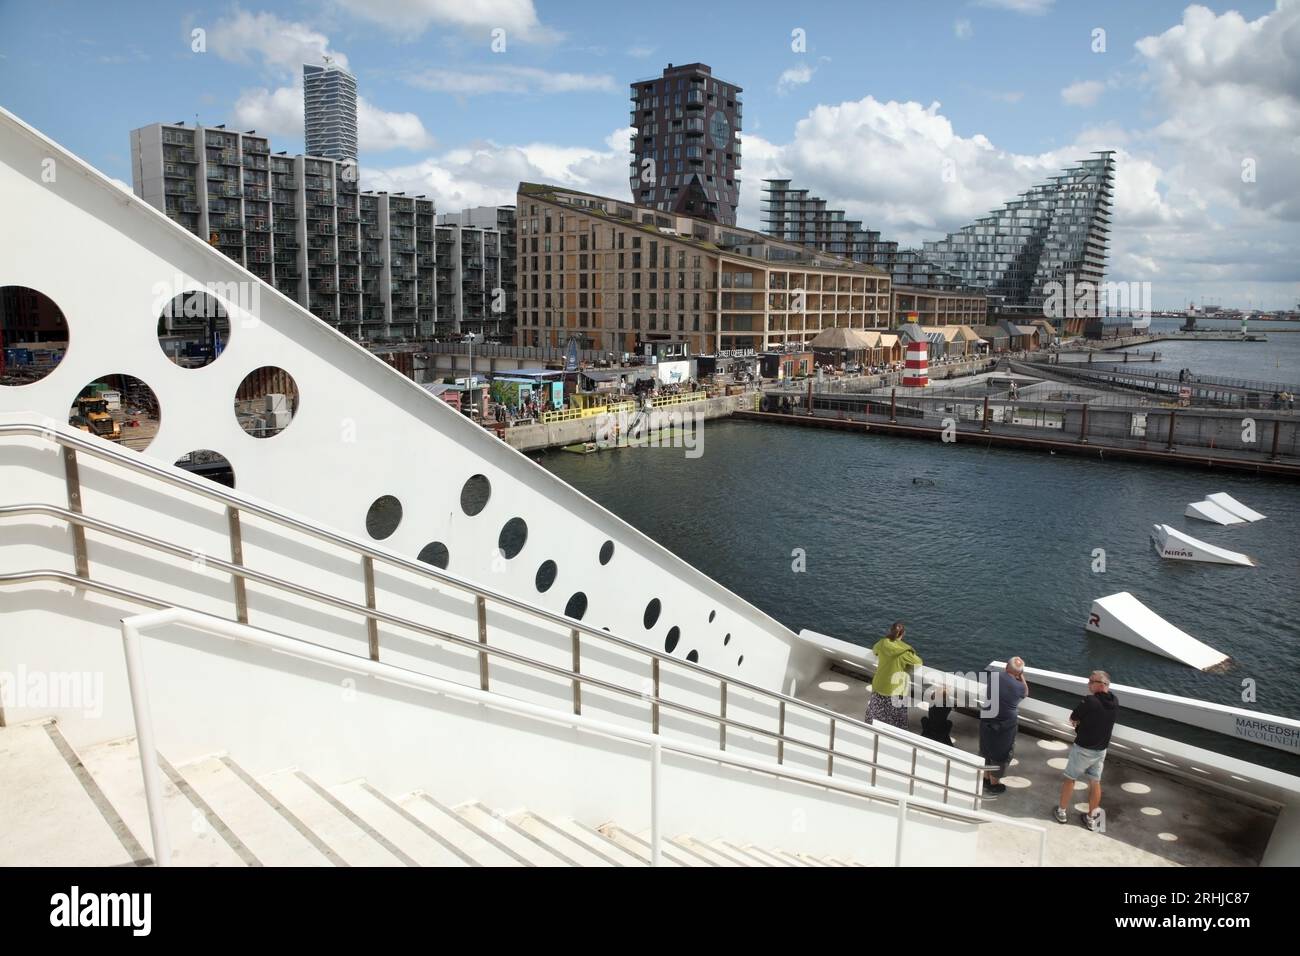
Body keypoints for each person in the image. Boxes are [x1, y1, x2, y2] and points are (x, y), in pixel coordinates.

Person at [1055, 670, 1119, 830]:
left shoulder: (1090, 701)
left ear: (1101, 684)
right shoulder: (1115, 700)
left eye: (1091, 681)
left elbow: (1073, 717)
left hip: (1083, 748)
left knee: (1070, 778)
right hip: (1101, 750)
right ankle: (1092, 820)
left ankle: (1062, 811)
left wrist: (1080, 723)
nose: (1088, 684)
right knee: (1095, 782)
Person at [979, 657, 1029, 794]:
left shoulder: (994, 677)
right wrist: (1021, 676)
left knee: (986, 748)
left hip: (987, 719)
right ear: (1019, 672)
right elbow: (1026, 692)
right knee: (1000, 754)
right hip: (1005, 725)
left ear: (1007, 666)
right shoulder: (1019, 686)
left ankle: (985, 778)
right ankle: (994, 784)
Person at [865, 622, 922, 731]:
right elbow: (918, 662)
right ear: (903, 634)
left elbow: (874, 650)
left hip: (879, 686)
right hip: (896, 691)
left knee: (876, 715)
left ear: (890, 631)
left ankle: (873, 731)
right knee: (896, 720)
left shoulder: (882, 643)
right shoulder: (904, 652)